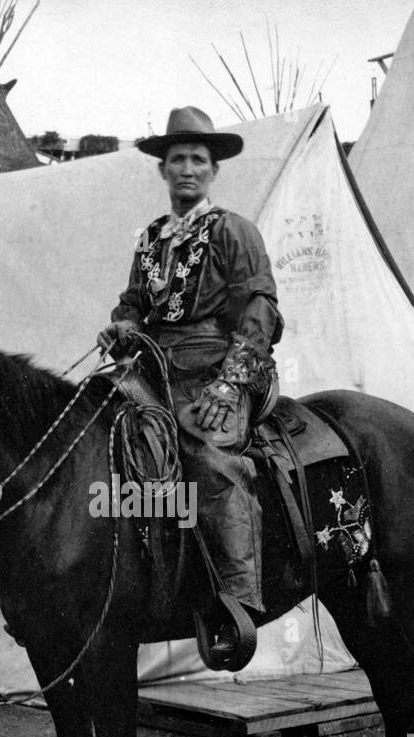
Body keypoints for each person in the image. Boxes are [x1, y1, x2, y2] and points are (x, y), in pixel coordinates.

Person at [98, 105, 283, 622]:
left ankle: (239, 599)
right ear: (162, 169)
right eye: (177, 159)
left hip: (217, 371)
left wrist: (229, 386)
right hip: (153, 369)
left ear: (213, 170)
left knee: (208, 459)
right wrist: (123, 325)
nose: (187, 169)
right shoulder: (151, 238)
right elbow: (134, 302)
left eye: (198, 159)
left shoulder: (234, 231)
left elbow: (259, 309)